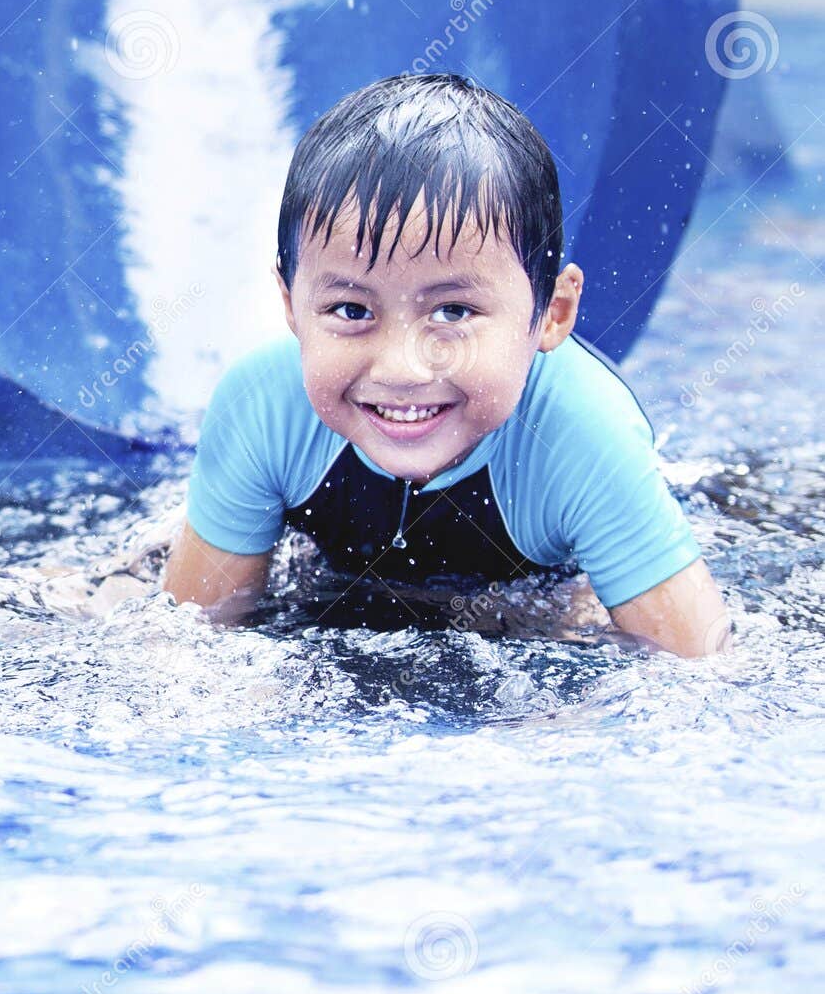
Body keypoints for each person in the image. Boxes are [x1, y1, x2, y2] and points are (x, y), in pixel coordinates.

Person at [162, 73, 730, 657]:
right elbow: (190, 644)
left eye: (453, 311)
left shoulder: (583, 434)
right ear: (291, 306)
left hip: (537, 598)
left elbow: (699, 671)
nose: (403, 366)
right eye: (352, 308)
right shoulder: (262, 406)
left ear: (552, 313)